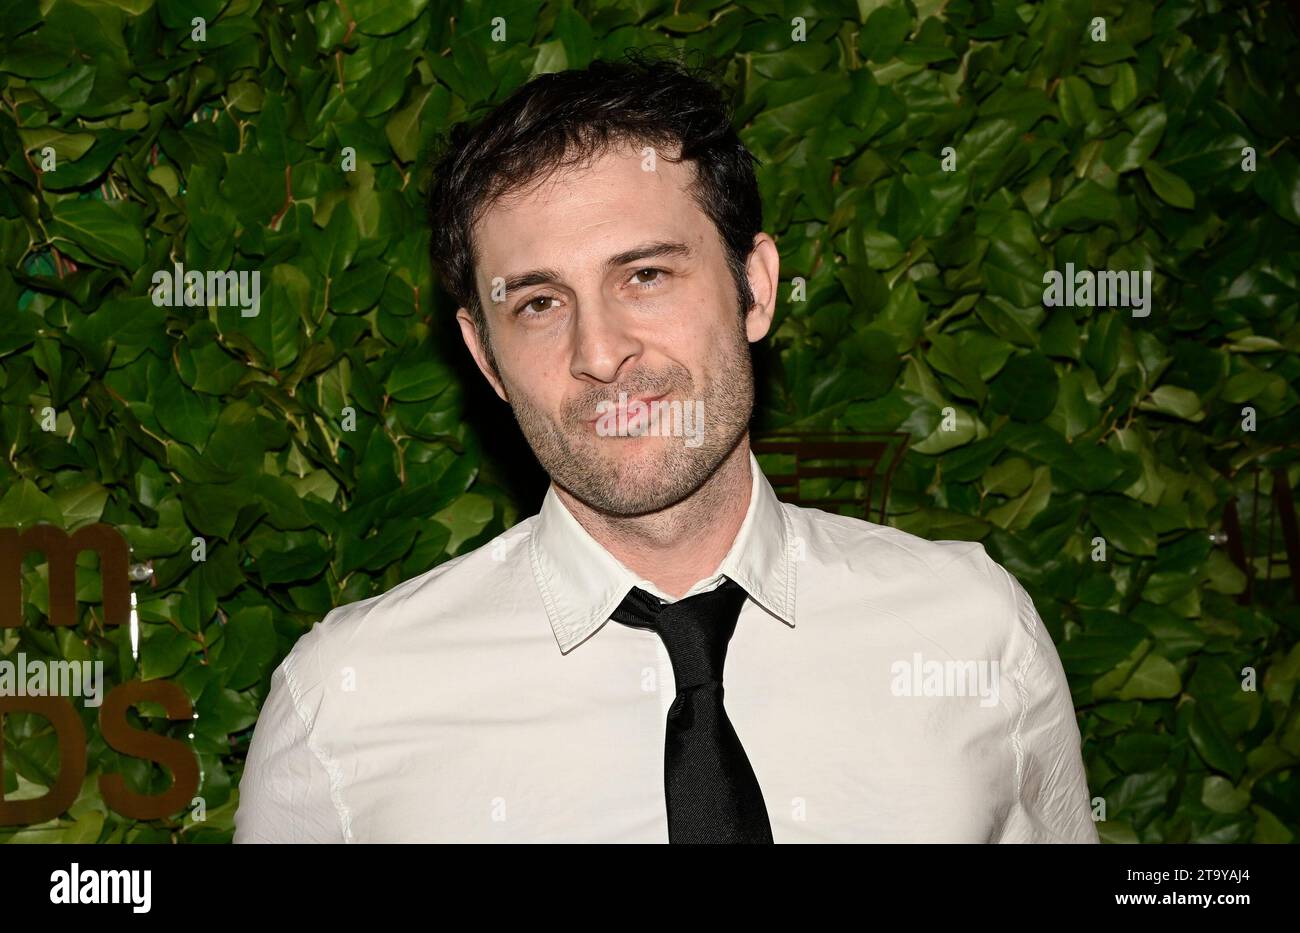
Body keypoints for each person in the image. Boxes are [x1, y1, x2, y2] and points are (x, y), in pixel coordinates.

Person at [233, 52, 1098, 844]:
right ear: (484, 356)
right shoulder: (345, 706)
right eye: (539, 302)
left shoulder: (973, 630)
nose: (600, 352)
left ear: (755, 289)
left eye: (645, 275)